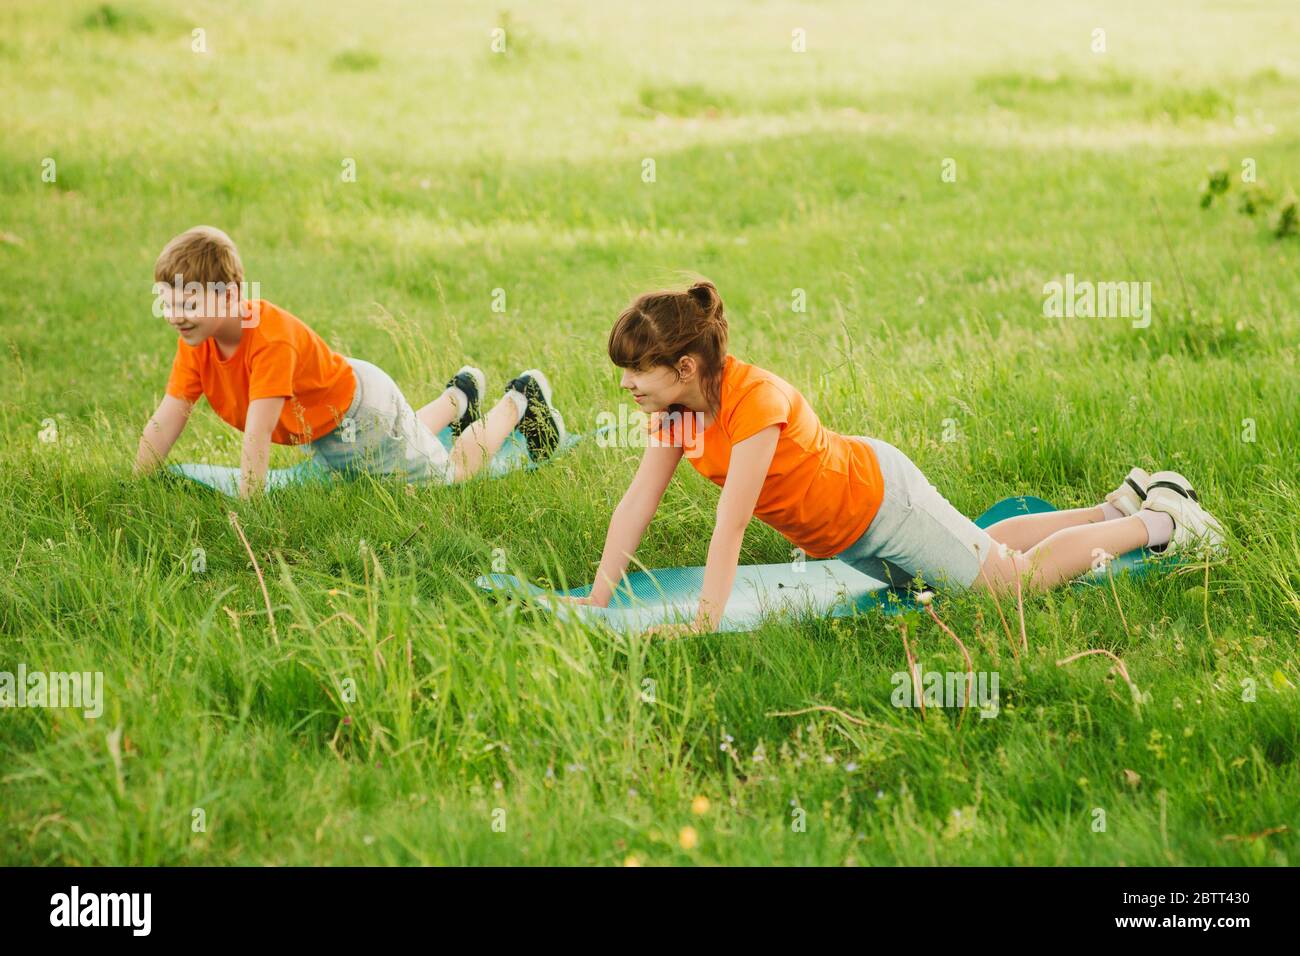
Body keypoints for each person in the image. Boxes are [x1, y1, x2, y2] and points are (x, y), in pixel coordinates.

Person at [577, 279, 1225, 632]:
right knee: (977, 552)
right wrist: (600, 597)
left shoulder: (755, 404)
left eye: (636, 370)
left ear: (684, 365)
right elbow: (638, 503)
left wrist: (704, 624)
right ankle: (1114, 506)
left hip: (884, 504)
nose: (627, 384)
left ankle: (1166, 521)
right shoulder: (675, 415)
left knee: (1009, 587)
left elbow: (733, 523)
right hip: (852, 534)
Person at [134, 226, 564, 496]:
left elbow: (257, 434)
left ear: (229, 296)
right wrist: (137, 484)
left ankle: (521, 399)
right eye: (168, 302)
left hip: (360, 416)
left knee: (447, 478)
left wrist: (249, 517)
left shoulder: (267, 338)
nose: (174, 315)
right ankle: (458, 400)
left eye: (188, 302)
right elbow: (169, 415)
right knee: (404, 436)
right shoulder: (197, 340)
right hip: (349, 413)